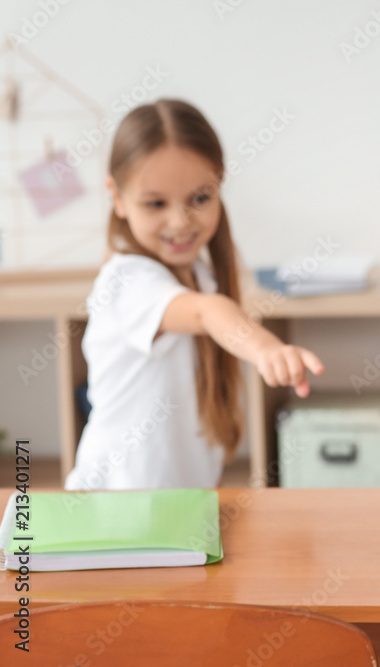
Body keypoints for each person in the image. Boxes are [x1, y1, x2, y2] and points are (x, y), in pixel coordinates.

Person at [65, 99, 323, 490]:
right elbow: (206, 313)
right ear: (116, 197)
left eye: (199, 199)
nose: (180, 221)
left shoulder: (201, 275)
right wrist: (265, 349)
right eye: (156, 203)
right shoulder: (127, 280)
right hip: (113, 507)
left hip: (173, 507)